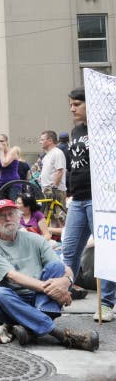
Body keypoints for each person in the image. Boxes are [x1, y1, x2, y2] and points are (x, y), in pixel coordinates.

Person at [0, 199, 98, 351]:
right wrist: (54, 289)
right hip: (9, 302)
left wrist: (65, 282)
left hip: (38, 299)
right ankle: (61, 335)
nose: (8, 218)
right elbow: (12, 276)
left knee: (55, 266)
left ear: (19, 216)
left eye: (11, 214)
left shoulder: (35, 239)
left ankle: (29, 328)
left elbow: (64, 268)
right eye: (2, 216)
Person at [63, 87, 115, 322]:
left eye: (77, 104)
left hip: (100, 198)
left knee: (105, 252)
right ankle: (62, 293)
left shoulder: (105, 129)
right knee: (69, 250)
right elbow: (75, 164)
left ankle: (106, 302)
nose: (72, 108)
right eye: (71, 104)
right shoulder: (75, 131)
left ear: (89, 104)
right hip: (78, 198)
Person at [38, 130, 67, 209]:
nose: (40, 142)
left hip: (56, 191)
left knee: (59, 217)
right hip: (46, 191)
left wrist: (54, 188)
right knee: (50, 218)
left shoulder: (57, 153)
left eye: (42, 140)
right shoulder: (46, 156)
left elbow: (60, 171)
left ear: (50, 141)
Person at [0, 134, 21, 200]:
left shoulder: (13, 151)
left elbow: (4, 163)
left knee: (13, 203)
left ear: (6, 142)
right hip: (2, 183)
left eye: (2, 141)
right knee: (1, 204)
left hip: (13, 182)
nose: (0, 143)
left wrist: (2, 151)